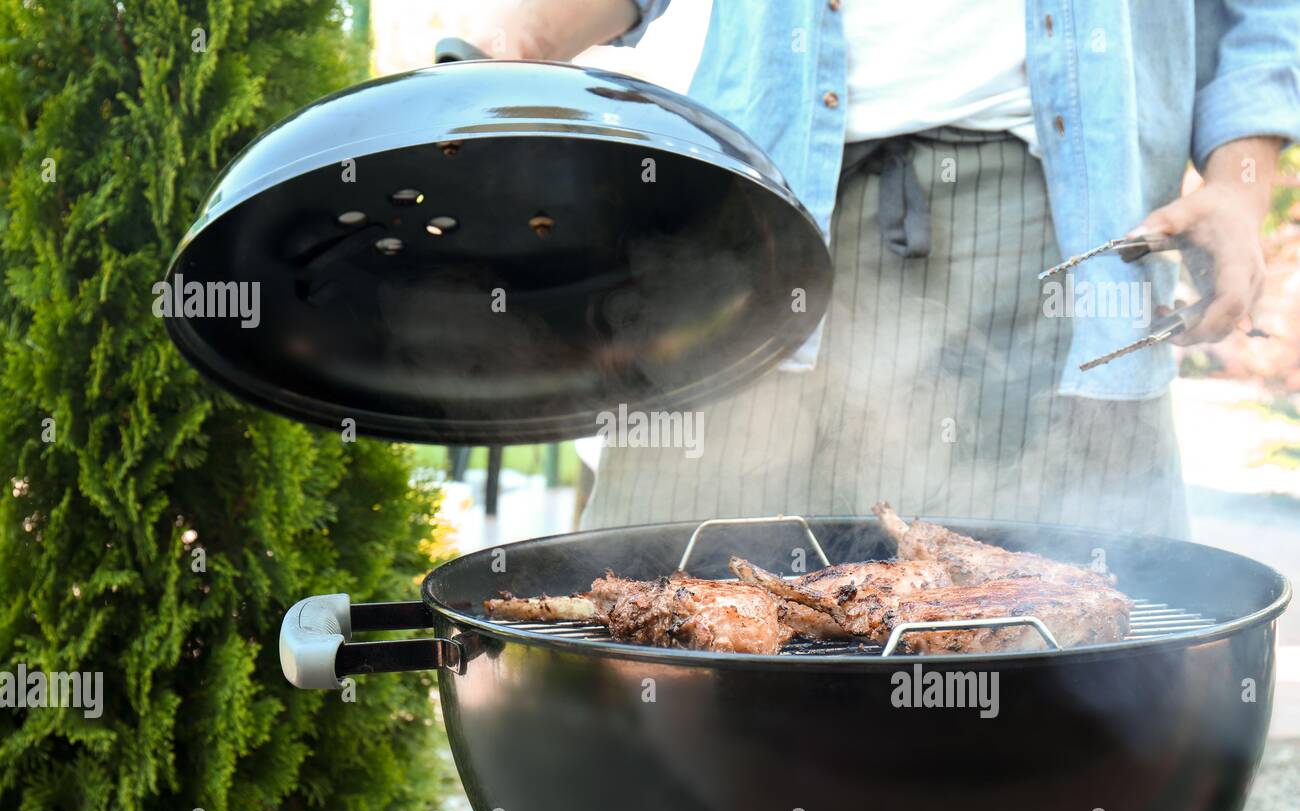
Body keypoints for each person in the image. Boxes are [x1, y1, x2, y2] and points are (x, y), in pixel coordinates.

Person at [469, 0, 1299, 536]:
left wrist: (1238, 184)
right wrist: (514, 45)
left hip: (1047, 237)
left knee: (1034, 661)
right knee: (657, 622)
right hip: (750, 212)